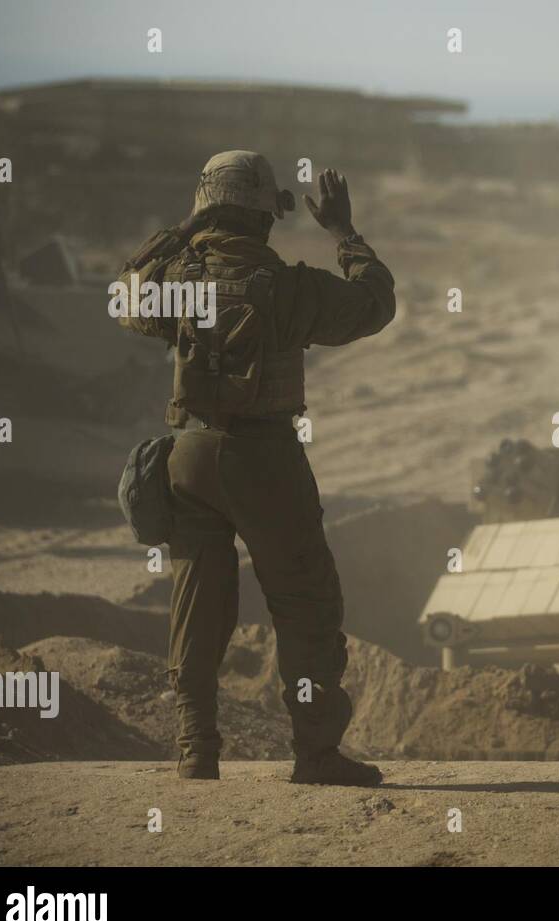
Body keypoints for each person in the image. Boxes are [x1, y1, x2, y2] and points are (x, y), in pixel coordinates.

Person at [115, 150, 396, 786]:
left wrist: (185, 232)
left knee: (196, 604)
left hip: (189, 456)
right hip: (266, 460)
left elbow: (123, 299)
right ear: (264, 217)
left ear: (207, 209)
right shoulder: (291, 288)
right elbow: (375, 304)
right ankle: (316, 754)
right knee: (305, 605)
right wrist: (344, 233)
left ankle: (196, 752)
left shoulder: (178, 282)